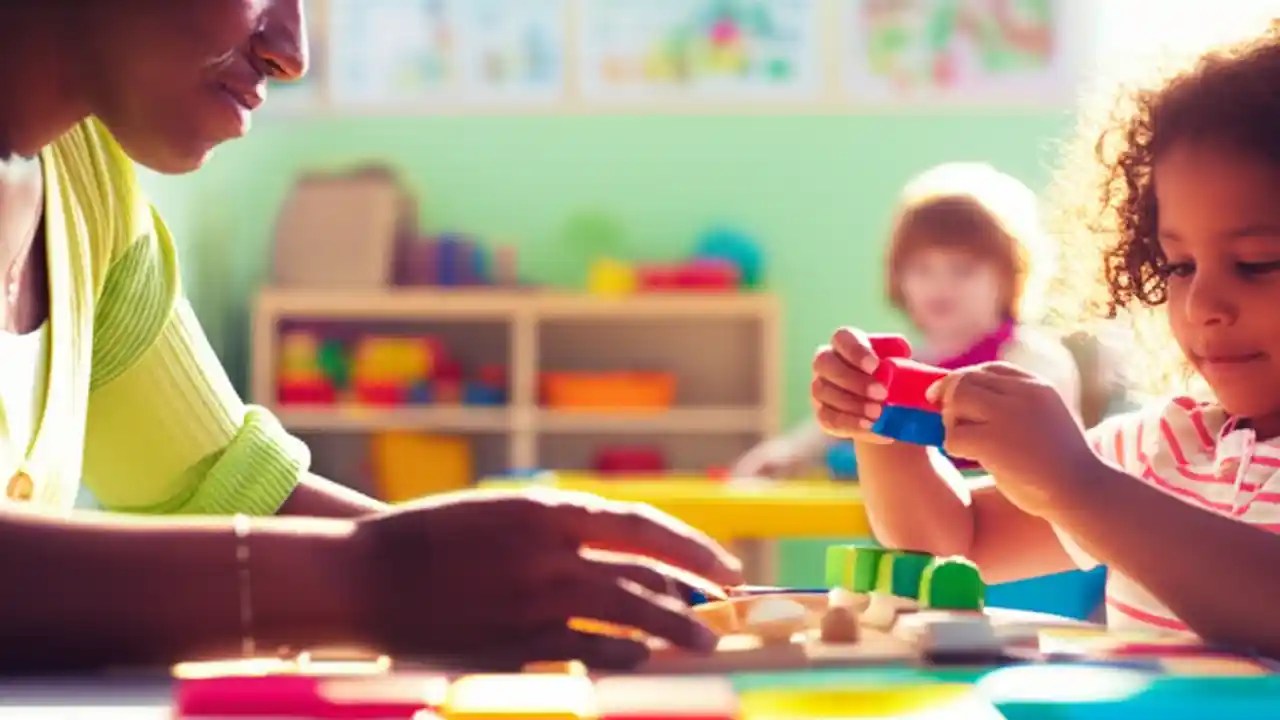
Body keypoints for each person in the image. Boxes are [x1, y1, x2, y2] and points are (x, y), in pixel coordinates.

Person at [0, 2, 740, 672]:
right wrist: (367, 580)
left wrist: (522, 587)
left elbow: (214, 487)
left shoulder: (85, 184)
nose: (292, 52)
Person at [811, 22, 1280, 653]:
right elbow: (961, 542)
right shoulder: (1165, 447)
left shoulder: (1106, 484)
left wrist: (1080, 486)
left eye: (1256, 263)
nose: (1203, 305)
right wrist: (884, 428)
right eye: (1178, 266)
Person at [733, 162, 1081, 479]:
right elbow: (844, 415)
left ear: (1008, 277)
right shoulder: (908, 362)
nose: (940, 284)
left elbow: (1056, 446)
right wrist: (787, 454)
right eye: (921, 269)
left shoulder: (1030, 359)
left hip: (1014, 524)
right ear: (898, 277)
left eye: (963, 269)